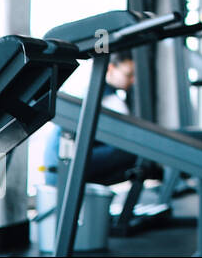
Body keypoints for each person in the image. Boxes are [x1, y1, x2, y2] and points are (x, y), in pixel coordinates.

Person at [42, 52, 142, 187]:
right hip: (63, 162)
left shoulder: (106, 96)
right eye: (128, 74)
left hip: (63, 161)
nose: (133, 80)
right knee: (132, 151)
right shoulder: (108, 100)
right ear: (111, 69)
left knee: (132, 153)